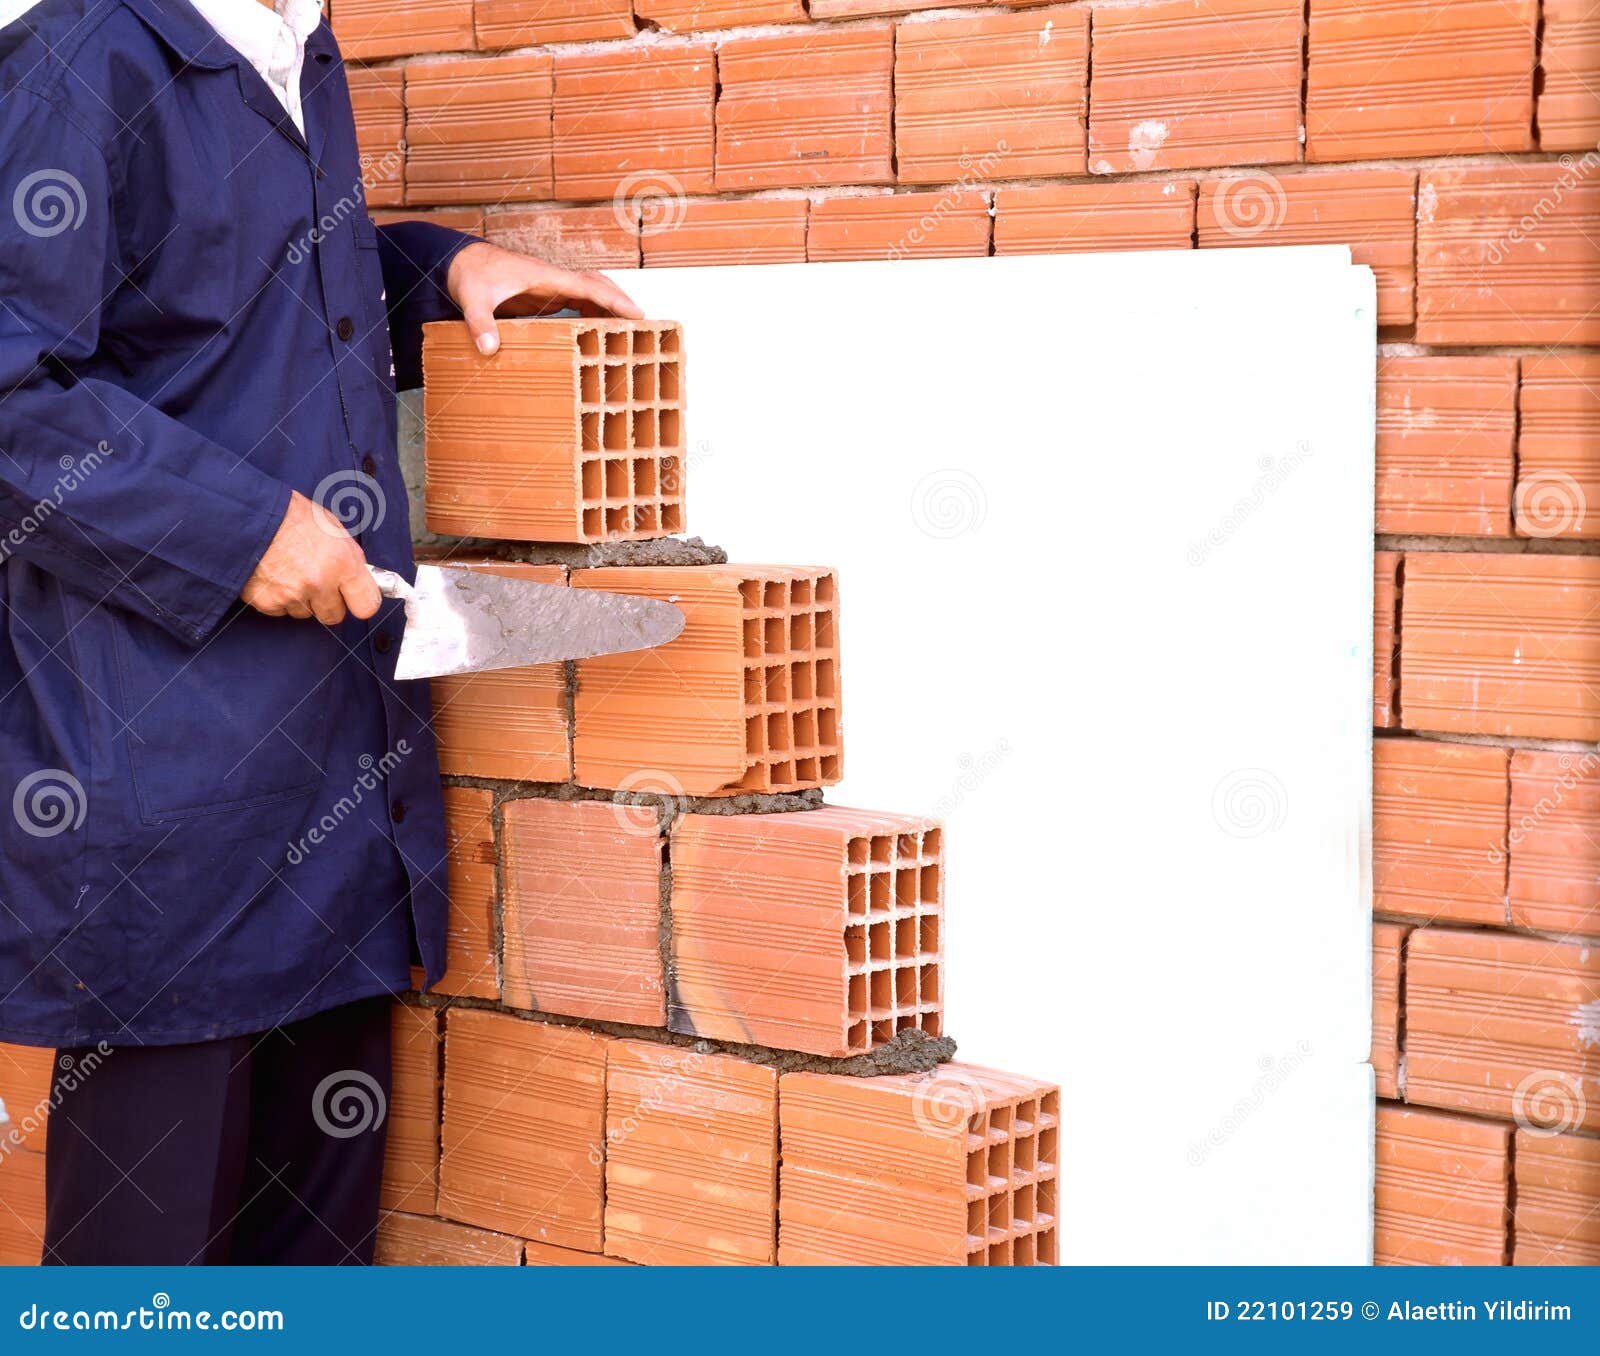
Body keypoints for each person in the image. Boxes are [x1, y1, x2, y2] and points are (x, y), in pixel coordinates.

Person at [0, 0, 639, 1264]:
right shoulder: (85, 56)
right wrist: (238, 533)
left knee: (313, 1276)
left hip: (340, 802)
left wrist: (438, 267)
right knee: (148, 1286)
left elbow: (222, 306)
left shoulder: (299, 45)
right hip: (163, 816)